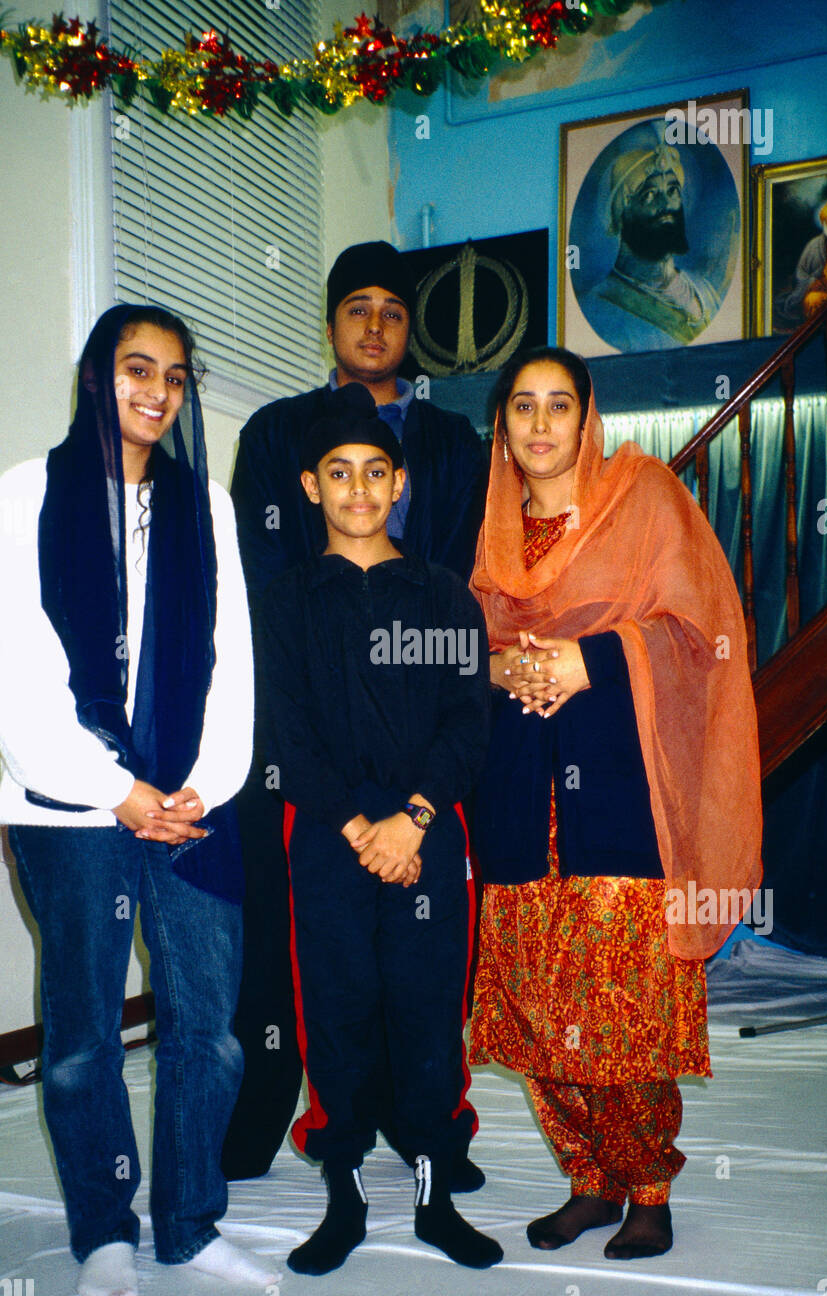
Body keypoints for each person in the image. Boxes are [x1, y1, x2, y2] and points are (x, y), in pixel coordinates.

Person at [0, 305, 275, 1296]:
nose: (156, 391)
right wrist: (119, 791)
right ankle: (105, 1232)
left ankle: (192, 1225)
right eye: (135, 368)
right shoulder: (26, 494)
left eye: (175, 375)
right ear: (96, 375)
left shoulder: (208, 507)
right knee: (80, 1038)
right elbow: (17, 677)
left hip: (195, 802)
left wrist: (203, 781)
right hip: (69, 810)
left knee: (209, 1023)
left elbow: (234, 662)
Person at [468, 345, 762, 1258]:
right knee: (540, 993)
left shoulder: (642, 499)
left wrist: (587, 658)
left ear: (587, 418)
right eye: (523, 406)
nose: (541, 424)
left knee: (623, 1001)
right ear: (503, 426)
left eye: (560, 404)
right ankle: (586, 1180)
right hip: (522, 799)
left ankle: (646, 1186)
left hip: (622, 798)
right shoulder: (491, 532)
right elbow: (465, 643)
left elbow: (699, 629)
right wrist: (499, 663)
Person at [223, 239, 489, 1188]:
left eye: (391, 307)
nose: (375, 323)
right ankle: (295, 1122)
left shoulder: (452, 443)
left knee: (424, 965)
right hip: (311, 737)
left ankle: (427, 1127)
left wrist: (419, 801)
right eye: (355, 306)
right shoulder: (275, 432)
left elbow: (463, 575)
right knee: (308, 958)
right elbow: (260, 584)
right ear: (330, 322)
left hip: (424, 737)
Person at [256, 383, 502, 1275]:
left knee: (429, 1007)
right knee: (338, 1006)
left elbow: (465, 724)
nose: (358, 489)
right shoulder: (285, 603)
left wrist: (414, 819)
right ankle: (345, 1190)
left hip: (429, 840)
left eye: (374, 472)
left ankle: (436, 1190)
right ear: (310, 486)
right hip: (327, 839)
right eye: (338, 473)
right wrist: (361, 827)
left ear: (399, 483)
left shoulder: (443, 598)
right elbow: (286, 731)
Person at [581, 131, 722, 351]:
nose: (666, 203)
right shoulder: (599, 305)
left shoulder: (705, 292)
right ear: (622, 209)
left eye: (673, 190)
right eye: (649, 194)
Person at [777, 197, 827, 324]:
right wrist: (811, 282)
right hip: (825, 294)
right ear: (824, 222)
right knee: (812, 300)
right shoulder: (815, 246)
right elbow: (801, 272)